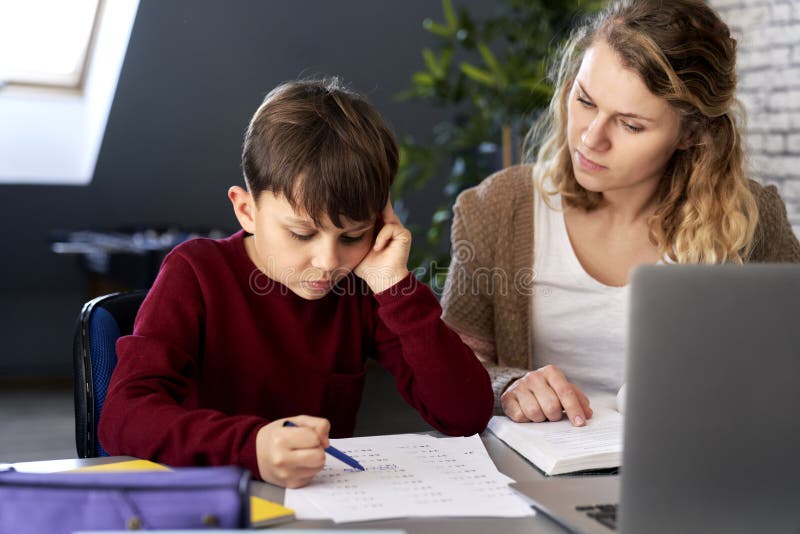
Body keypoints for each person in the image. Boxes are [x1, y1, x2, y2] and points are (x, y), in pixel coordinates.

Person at [99, 78, 493, 488]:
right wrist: (250, 447)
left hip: (323, 505)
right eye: (302, 234)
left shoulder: (363, 285)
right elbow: (123, 416)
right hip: (213, 501)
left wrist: (394, 284)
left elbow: (465, 415)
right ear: (246, 210)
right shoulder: (195, 272)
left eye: (353, 235)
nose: (328, 262)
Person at [441, 0, 800, 428]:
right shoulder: (497, 207)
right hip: (540, 469)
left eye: (630, 125)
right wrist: (509, 385)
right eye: (586, 101)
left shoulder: (751, 220)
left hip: (694, 469)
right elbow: (453, 367)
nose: (592, 139)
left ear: (690, 134)